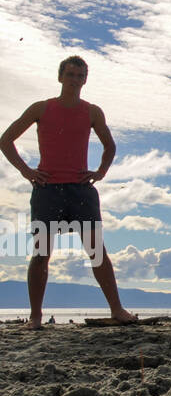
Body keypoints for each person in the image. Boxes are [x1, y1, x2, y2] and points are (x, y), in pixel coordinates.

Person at [0, 55, 137, 327]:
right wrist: (26, 171)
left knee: (97, 251)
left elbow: (110, 146)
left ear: (85, 80)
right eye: (70, 74)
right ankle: (36, 317)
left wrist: (100, 173)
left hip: (80, 191)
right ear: (60, 77)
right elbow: (5, 140)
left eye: (80, 76)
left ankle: (117, 310)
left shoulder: (92, 111)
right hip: (47, 189)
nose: (75, 80)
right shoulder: (41, 108)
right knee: (41, 254)